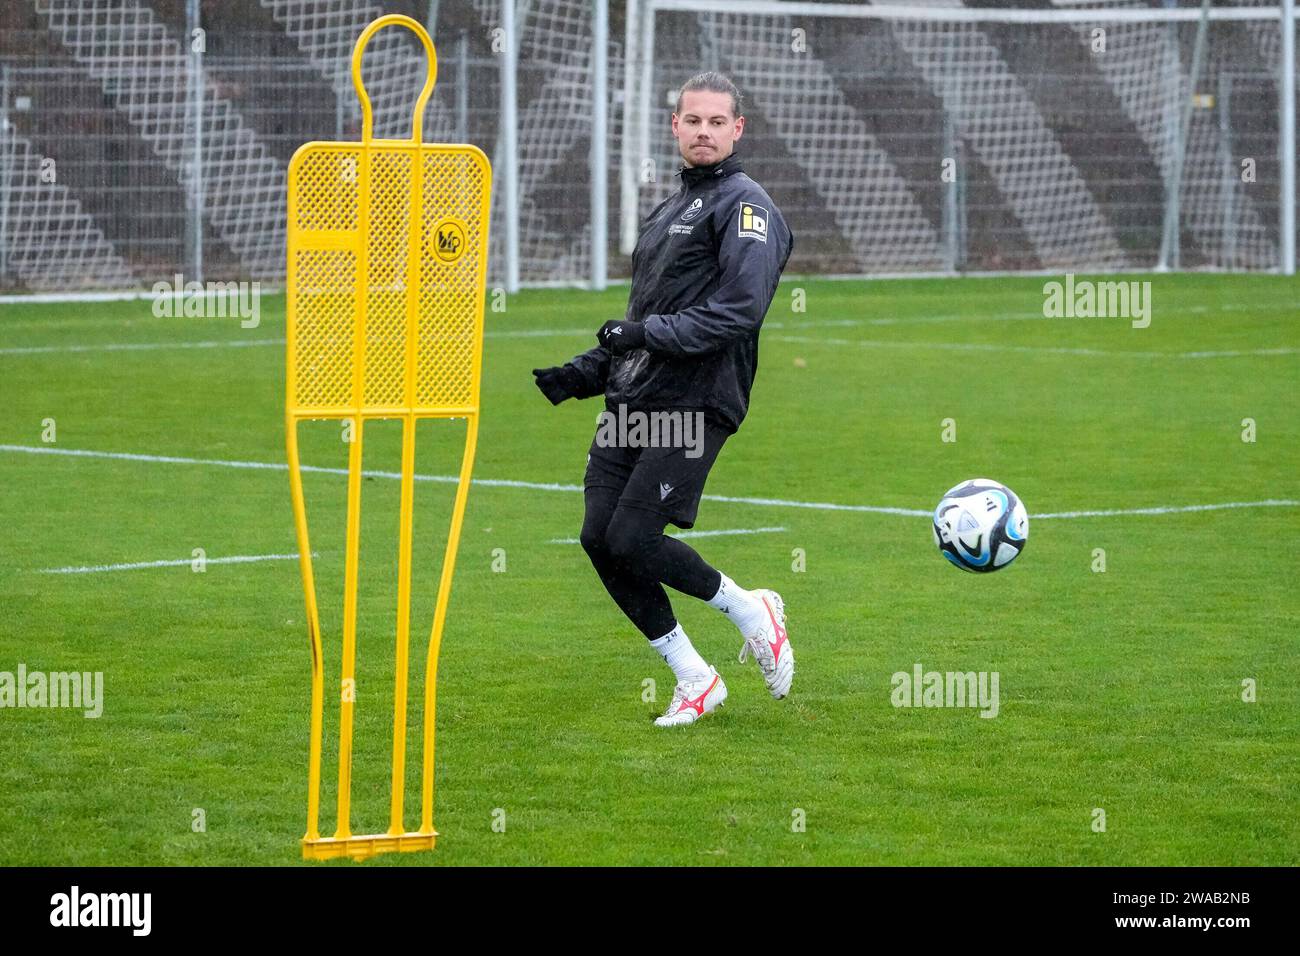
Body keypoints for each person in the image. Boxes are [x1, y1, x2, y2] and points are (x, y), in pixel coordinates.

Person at [532, 71, 794, 726]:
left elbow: (738, 309)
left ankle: (749, 609)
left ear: (737, 129)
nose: (703, 131)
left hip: (697, 399)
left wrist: (641, 333)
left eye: (717, 122)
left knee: (634, 536)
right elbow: (642, 318)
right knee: (599, 537)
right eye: (692, 120)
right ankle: (694, 676)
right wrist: (583, 372)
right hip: (631, 400)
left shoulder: (748, 207)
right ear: (674, 127)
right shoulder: (663, 213)